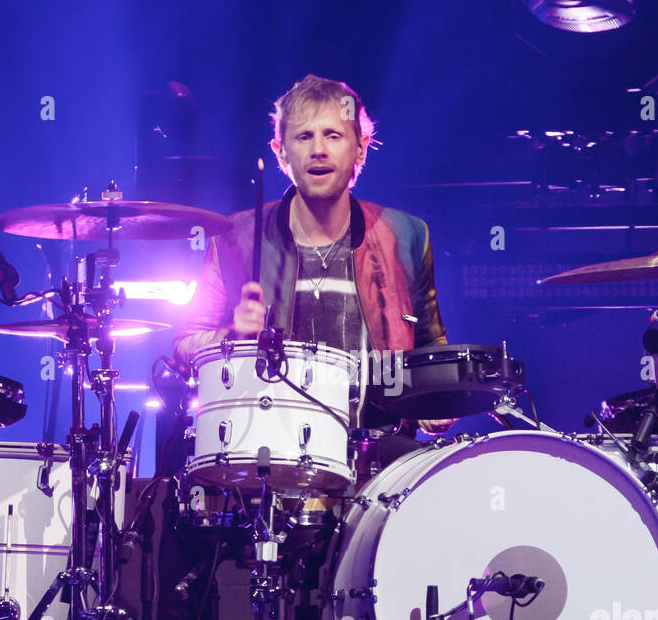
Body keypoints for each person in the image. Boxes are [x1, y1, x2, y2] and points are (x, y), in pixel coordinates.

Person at [174, 73, 456, 435]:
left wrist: (436, 398)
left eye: (333, 135)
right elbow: (184, 345)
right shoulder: (235, 238)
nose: (318, 150)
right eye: (304, 136)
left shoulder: (406, 234)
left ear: (361, 148)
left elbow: (430, 343)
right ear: (281, 152)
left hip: (382, 460)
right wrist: (231, 336)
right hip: (270, 452)